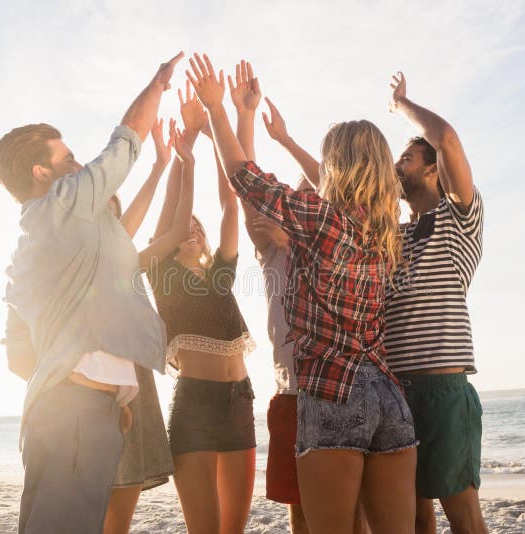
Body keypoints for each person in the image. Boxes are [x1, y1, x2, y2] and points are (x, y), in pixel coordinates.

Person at [187, 52, 417, 534]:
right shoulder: (386, 230)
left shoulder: (323, 220)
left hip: (333, 391)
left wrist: (216, 109)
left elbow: (245, 179)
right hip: (388, 396)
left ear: (337, 165)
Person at [0, 52, 183, 534]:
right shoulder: (58, 206)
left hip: (89, 413)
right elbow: (123, 143)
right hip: (72, 413)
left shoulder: (59, 231)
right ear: (42, 173)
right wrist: (157, 86)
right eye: (66, 157)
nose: (78, 164)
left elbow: (120, 239)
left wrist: (116, 396)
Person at [243, 81, 370, 534]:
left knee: (353, 509)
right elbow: (249, 190)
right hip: (292, 392)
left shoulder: (335, 239)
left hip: (339, 386)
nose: (303, 207)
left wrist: (286, 140)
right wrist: (245, 118)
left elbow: (333, 195)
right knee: (299, 509)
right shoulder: (273, 252)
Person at [143, 81, 257, 534]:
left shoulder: (220, 274)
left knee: (235, 529)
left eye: (196, 226)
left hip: (240, 405)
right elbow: (173, 205)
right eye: (181, 227)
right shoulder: (162, 277)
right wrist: (182, 152)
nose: (190, 227)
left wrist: (214, 126)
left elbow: (231, 203)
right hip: (194, 408)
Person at [386, 71, 487, 533]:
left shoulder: (459, 218)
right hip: (395, 394)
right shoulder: (393, 237)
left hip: (444, 392)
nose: (396, 166)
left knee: (463, 516)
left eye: (405, 158)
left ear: (431, 167)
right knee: (413, 515)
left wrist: (402, 104)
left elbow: (445, 137)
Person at [102, 118, 177, 534]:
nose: (116, 225)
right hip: (94, 388)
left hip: (136, 382)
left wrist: (172, 163)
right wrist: (158, 168)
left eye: (117, 214)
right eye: (107, 215)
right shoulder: (84, 260)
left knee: (120, 519)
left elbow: (175, 231)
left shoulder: (128, 266)